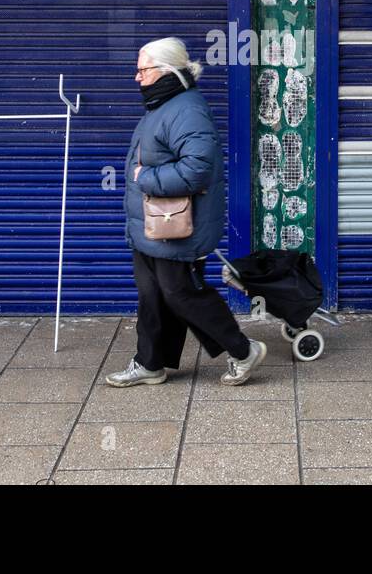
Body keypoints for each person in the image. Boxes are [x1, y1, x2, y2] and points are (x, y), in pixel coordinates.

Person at [105, 37, 267, 388]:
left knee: (182, 294)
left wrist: (145, 177)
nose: (136, 77)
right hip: (152, 223)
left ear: (165, 70)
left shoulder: (186, 109)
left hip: (177, 224)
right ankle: (150, 363)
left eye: (142, 69)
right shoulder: (163, 105)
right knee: (151, 294)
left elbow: (197, 169)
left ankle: (243, 350)